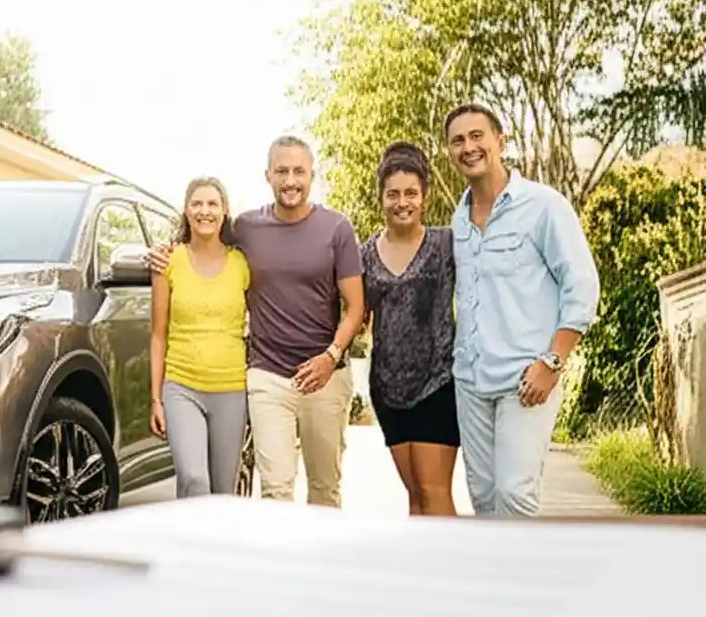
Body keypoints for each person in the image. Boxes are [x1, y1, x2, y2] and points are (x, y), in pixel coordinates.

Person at [148, 137, 365, 507]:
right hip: (267, 377)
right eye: (282, 171)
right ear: (268, 176)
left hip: (324, 376)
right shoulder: (248, 228)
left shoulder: (337, 228)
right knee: (275, 491)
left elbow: (356, 307)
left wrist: (331, 356)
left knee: (324, 489)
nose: (290, 180)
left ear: (312, 175)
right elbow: (202, 241)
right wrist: (159, 252)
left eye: (299, 171)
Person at [443, 103, 600, 517]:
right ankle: (496, 564)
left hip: (526, 379)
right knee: (484, 497)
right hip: (471, 379)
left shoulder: (543, 205)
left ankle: (521, 564)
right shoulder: (458, 220)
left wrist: (553, 361)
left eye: (477, 136)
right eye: (458, 140)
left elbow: (582, 285)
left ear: (500, 141)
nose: (468, 147)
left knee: (515, 494)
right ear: (449, 151)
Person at [360, 142, 460, 516]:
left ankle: (455, 556)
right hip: (387, 390)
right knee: (415, 495)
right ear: (381, 199)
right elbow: (355, 313)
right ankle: (421, 557)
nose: (402, 202)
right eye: (393, 194)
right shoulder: (365, 254)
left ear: (425, 198)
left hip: (438, 385)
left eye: (411, 193)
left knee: (434, 492)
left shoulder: (446, 244)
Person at [149, 176, 251, 497]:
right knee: (194, 479)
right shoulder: (168, 261)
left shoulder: (242, 263)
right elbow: (158, 335)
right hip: (182, 387)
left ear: (224, 212)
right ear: (186, 211)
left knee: (222, 492)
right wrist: (156, 399)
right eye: (197, 203)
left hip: (231, 389)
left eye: (212, 204)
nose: (204, 211)